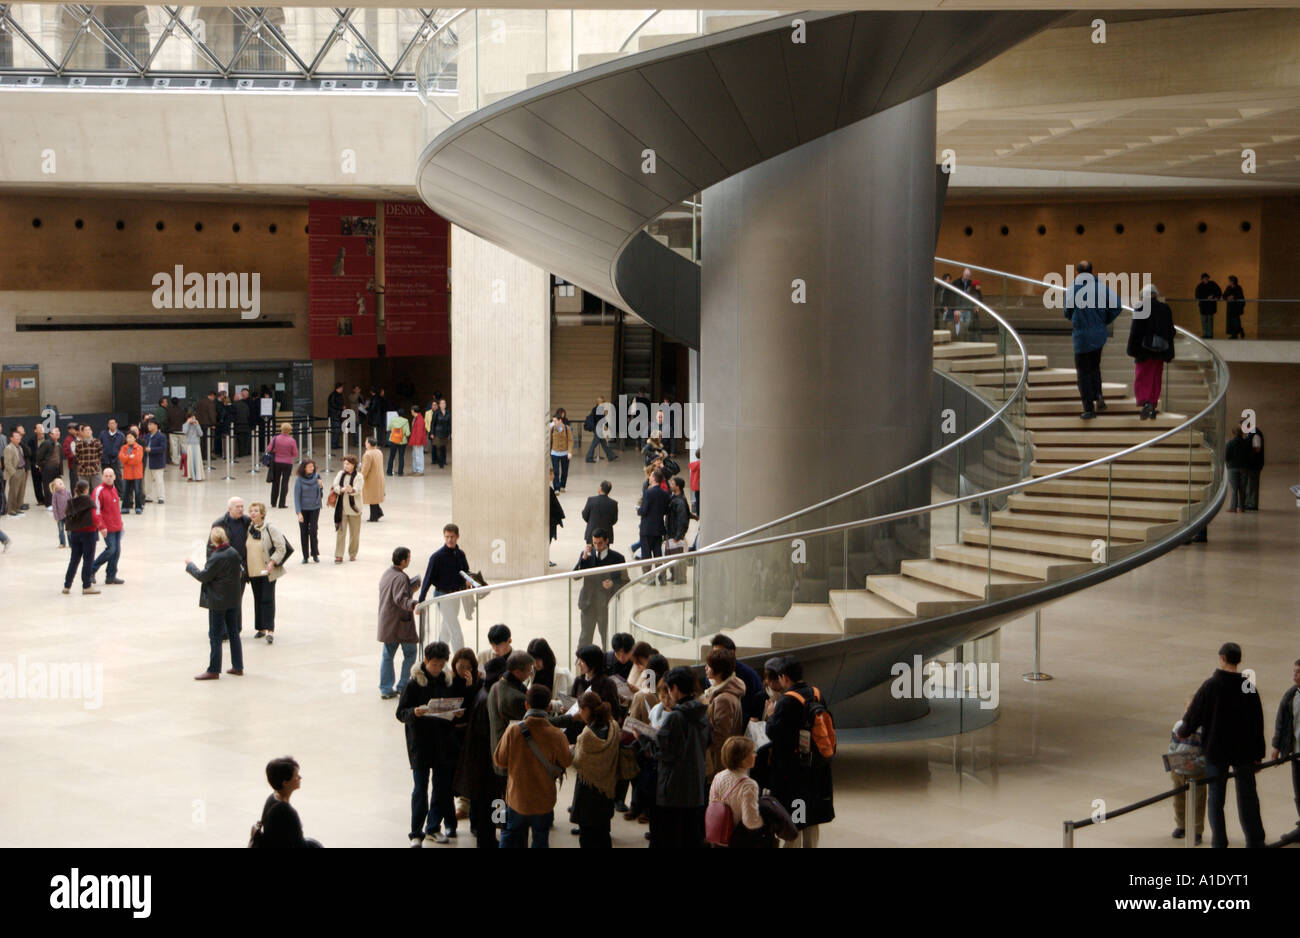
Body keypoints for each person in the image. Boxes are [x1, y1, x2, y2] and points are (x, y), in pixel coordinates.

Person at [1177, 642, 1266, 848]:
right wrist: (1258, 754)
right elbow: (1257, 722)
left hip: (1216, 751)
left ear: (1222, 658)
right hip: (1243, 751)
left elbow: (1194, 714)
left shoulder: (1211, 685)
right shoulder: (1247, 686)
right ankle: (1255, 840)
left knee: (1216, 799)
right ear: (1239, 660)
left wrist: (1183, 732)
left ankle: (1219, 841)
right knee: (1248, 796)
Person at [633, 666, 710, 848]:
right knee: (690, 836)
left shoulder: (676, 717)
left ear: (675, 688)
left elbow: (662, 751)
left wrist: (642, 737)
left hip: (673, 788)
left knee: (668, 836)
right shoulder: (701, 713)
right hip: (696, 785)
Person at [397, 641, 462, 846]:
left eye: (441, 664)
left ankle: (433, 827)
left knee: (441, 788)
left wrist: (455, 713)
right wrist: (414, 712)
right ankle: (416, 833)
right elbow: (401, 713)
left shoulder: (446, 681)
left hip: (442, 742)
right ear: (426, 661)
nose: (438, 668)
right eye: (434, 664)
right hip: (421, 744)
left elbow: (451, 707)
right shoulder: (413, 684)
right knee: (420, 788)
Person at [766, 656, 835, 848]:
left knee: (794, 817)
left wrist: (771, 716)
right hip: (816, 765)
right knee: (810, 814)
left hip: (793, 771)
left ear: (784, 677)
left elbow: (773, 732)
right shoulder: (816, 693)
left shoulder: (787, 701)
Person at [493, 682, 573, 848]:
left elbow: (499, 761)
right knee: (540, 838)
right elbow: (567, 761)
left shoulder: (513, 731)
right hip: (543, 799)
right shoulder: (556, 734)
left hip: (517, 798)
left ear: (526, 704)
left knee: (509, 834)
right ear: (549, 706)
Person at [1064, 259, 1122, 419]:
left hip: (1082, 336)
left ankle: (1089, 408)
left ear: (1077, 272)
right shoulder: (1102, 288)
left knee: (1083, 372)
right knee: (1095, 366)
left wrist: (1077, 318)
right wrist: (1104, 321)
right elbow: (1117, 306)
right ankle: (1099, 395)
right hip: (1099, 334)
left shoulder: (1073, 289)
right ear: (1091, 271)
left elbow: (1067, 312)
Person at [187, 526, 246, 680]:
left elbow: (203, 576)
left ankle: (214, 669)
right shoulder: (233, 552)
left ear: (213, 540)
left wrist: (190, 565)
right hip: (233, 599)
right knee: (234, 633)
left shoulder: (216, 557)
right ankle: (238, 666)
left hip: (218, 601)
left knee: (215, 635)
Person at [571, 690, 622, 848]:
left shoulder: (587, 735)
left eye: (580, 709)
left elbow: (579, 761)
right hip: (606, 786)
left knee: (587, 837)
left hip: (588, 790)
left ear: (587, 709)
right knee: (603, 832)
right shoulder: (612, 725)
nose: (579, 713)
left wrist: (571, 750)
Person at [709, 736, 774, 848]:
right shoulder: (748, 784)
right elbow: (750, 822)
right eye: (752, 752)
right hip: (737, 839)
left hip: (718, 837)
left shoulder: (718, 777)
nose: (755, 755)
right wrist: (766, 822)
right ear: (742, 758)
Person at [416, 523, 471, 651]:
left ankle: (438, 653)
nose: (450, 539)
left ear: (457, 536)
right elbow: (427, 580)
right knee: (454, 628)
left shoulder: (460, 554)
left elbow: (466, 572)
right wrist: (420, 602)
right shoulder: (437, 557)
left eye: (452, 536)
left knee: (446, 628)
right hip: (442, 596)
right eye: (447, 537)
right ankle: (461, 656)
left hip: (456, 596)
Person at [1126, 283, 1175, 421]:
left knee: (1142, 377)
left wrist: (1131, 349)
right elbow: (1171, 331)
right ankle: (1153, 405)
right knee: (1155, 378)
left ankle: (1145, 402)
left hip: (1144, 351)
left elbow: (1135, 331)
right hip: (1160, 351)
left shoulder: (1141, 308)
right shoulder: (1165, 309)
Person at [377, 547, 421, 701]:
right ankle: (402, 685)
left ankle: (386, 688)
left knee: (387, 655)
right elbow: (400, 599)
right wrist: (414, 603)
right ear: (403, 561)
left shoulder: (387, 574)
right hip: (400, 624)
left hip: (387, 622)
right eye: (408, 558)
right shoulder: (401, 578)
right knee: (410, 653)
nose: (409, 560)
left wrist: (410, 590)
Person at [575, 529, 628, 649]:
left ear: (607, 541)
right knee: (585, 637)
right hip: (588, 604)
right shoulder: (587, 556)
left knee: (607, 638)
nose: (597, 546)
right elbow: (575, 576)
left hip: (606, 606)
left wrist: (613, 584)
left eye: (600, 543)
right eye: (594, 543)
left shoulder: (618, 558)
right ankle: (581, 663)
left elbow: (625, 581)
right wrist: (583, 560)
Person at [246, 502, 288, 643]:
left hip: (267, 570)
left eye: (256, 511)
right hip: (253, 570)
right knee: (257, 598)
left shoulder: (270, 528)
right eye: (251, 511)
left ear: (262, 514)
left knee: (267, 599)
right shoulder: (249, 529)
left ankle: (270, 629)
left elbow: (281, 547)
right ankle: (260, 628)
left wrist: (272, 562)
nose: (253, 513)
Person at [487, 650, 534, 778]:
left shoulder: (495, 686)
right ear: (518, 672)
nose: (531, 673)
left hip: (498, 750)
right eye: (529, 670)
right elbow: (534, 723)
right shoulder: (516, 698)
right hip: (511, 755)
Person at [258, 757, 321, 847]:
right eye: (296, 776)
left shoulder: (272, 798)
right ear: (285, 782)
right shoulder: (286, 812)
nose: (300, 777)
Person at [703, 649, 747, 781]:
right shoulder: (723, 692)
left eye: (709, 666)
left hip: (719, 762)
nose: (705, 668)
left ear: (719, 671)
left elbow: (721, 737)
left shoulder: (723, 698)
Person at [1269, 658, 1300, 837]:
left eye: (1298, 672)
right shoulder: (1290, 696)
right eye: (1293, 671)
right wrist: (1276, 745)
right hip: (1296, 754)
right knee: (1299, 793)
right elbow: (1281, 722)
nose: (1294, 676)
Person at [1168, 704, 1206, 845]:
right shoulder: (1178, 726)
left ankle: (1197, 831)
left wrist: (1197, 763)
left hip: (1196, 773)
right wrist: (1173, 761)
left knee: (1198, 802)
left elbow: (1208, 754)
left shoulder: (1204, 730)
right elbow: (1172, 746)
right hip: (1178, 771)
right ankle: (1181, 826)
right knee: (1178, 801)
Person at [711, 634, 768, 723]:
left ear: (732, 653)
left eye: (721, 653)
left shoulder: (748, 674)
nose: (717, 657)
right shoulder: (712, 675)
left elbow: (758, 698)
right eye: (714, 653)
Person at [62, 480, 99, 595]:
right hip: (88, 533)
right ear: (86, 489)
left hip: (75, 534)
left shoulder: (71, 502)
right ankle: (86, 585)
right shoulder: (88, 501)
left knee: (74, 560)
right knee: (88, 560)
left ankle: (67, 586)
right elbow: (94, 517)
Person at [90, 469, 125, 586]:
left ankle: (111, 576)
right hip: (107, 527)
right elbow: (96, 511)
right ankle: (91, 570)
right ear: (102, 477)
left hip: (117, 526)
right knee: (111, 549)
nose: (109, 478)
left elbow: (116, 510)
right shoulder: (98, 491)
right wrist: (101, 527)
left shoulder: (114, 489)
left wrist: (121, 524)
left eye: (111, 476)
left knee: (116, 552)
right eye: (106, 476)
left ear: (115, 477)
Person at [637, 467, 671, 573]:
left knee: (646, 554)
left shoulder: (648, 493)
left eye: (651, 476)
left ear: (654, 479)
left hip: (647, 528)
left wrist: (638, 510)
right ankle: (662, 576)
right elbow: (666, 510)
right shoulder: (665, 494)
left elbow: (644, 510)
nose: (649, 477)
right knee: (658, 554)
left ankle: (648, 577)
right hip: (659, 528)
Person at [332, 454, 364, 562]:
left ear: (354, 465)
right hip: (342, 508)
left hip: (355, 509)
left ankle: (353, 553)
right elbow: (335, 486)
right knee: (341, 532)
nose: (345, 465)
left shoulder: (359, 476)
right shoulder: (340, 474)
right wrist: (341, 489)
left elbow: (358, 489)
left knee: (355, 534)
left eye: (348, 464)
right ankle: (339, 555)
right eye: (344, 463)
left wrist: (351, 490)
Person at [294, 460, 325, 562]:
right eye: (310, 466)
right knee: (303, 532)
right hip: (303, 509)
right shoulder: (299, 480)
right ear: (304, 468)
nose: (312, 468)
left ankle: (315, 553)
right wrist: (299, 513)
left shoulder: (317, 477)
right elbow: (296, 497)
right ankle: (305, 556)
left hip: (314, 508)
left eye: (313, 466)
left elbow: (320, 495)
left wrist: (321, 487)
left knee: (313, 530)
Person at [214, 496, 253, 569]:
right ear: (230, 509)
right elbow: (211, 547)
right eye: (237, 507)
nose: (240, 509)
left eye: (242, 506)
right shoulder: (219, 524)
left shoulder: (247, 521)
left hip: (244, 564)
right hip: (227, 565)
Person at [664, 476, 691, 582]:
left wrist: (678, 536)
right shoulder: (674, 498)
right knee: (671, 556)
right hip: (671, 533)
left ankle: (679, 577)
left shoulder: (680, 502)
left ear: (678, 487)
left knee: (677, 557)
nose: (670, 485)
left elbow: (683, 520)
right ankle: (674, 575)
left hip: (675, 534)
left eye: (672, 484)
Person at [265, 422, 298, 508]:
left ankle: (273, 502)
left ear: (281, 429)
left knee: (276, 482)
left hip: (276, 462)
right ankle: (282, 503)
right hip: (287, 463)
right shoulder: (292, 440)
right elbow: (295, 454)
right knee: (285, 482)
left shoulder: (275, 438)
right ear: (290, 430)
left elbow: (269, 449)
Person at [581, 480, 618, 545]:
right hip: (606, 536)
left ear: (600, 488)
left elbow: (585, 515)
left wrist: (591, 521)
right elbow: (614, 520)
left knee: (591, 553)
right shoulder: (613, 503)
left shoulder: (591, 500)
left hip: (591, 534)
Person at [584, 397, 618, 463]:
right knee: (594, 444)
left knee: (604, 443)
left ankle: (611, 456)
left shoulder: (595, 408)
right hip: (598, 428)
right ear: (599, 402)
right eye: (603, 402)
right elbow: (603, 420)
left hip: (597, 428)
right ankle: (588, 457)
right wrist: (610, 427)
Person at [117, 431, 145, 514]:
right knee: (125, 491)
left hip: (137, 473)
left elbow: (137, 460)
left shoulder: (139, 447)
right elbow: (121, 457)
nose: (129, 439)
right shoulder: (123, 447)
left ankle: (138, 507)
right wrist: (129, 457)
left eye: (131, 437)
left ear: (135, 438)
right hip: (127, 473)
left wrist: (127, 459)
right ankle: (125, 507)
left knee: (137, 491)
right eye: (128, 437)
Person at [1225, 426, 1250, 513]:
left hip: (1233, 468)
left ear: (1233, 434)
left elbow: (1226, 456)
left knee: (1234, 489)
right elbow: (1250, 455)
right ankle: (1242, 507)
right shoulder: (1246, 443)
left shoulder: (1230, 443)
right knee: (1242, 489)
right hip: (1244, 467)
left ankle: (1233, 507)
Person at [98, 419, 125, 496]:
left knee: (117, 477)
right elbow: (99, 446)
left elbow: (123, 448)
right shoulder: (103, 434)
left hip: (116, 460)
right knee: (106, 477)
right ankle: (106, 493)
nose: (112, 425)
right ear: (108, 425)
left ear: (116, 424)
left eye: (113, 423)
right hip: (105, 460)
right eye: (110, 423)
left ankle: (121, 494)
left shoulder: (121, 435)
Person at [360, 437, 385, 522]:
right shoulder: (379, 452)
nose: (365, 444)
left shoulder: (368, 454)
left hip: (371, 478)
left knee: (372, 497)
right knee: (375, 496)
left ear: (369, 444)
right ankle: (378, 512)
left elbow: (365, 468)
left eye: (366, 442)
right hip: (379, 477)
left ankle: (374, 516)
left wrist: (361, 477)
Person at [3, 429, 26, 517]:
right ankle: (10, 509)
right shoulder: (9, 448)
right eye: (16, 437)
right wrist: (13, 473)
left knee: (20, 491)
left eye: (19, 437)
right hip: (15, 472)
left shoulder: (19, 447)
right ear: (11, 438)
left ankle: (17, 508)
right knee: (13, 492)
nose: (18, 438)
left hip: (22, 470)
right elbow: (7, 463)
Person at [143, 420, 167, 504]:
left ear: (156, 425)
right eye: (148, 424)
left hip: (157, 461)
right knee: (147, 479)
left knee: (159, 480)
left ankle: (161, 497)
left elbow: (163, 448)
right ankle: (148, 496)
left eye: (150, 424)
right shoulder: (146, 436)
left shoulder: (161, 436)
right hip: (147, 460)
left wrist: (151, 449)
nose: (148, 426)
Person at [548, 410, 572, 494]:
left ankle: (562, 486)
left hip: (565, 453)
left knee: (564, 471)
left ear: (560, 420)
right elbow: (549, 441)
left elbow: (570, 440)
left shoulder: (566, 428)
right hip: (554, 453)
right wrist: (548, 452)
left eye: (555, 421)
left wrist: (569, 452)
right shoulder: (551, 429)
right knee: (556, 471)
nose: (554, 422)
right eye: (553, 421)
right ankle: (556, 488)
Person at [1243, 421, 1264, 511]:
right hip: (1251, 464)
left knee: (1252, 485)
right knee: (1249, 485)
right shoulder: (1251, 434)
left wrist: (1248, 455)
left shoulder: (1255, 434)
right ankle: (1249, 502)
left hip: (1254, 465)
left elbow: (1257, 449)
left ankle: (1252, 504)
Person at [1194, 272, 1222, 339]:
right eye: (1204, 278)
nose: (1205, 279)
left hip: (1210, 306)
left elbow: (1219, 292)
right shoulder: (1200, 286)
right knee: (1204, 320)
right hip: (1203, 306)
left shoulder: (1213, 284)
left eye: (1206, 278)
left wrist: (1215, 297)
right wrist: (1206, 298)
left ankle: (1209, 334)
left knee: (1210, 320)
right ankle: (1205, 334)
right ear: (1202, 279)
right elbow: (1197, 296)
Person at [76, 425, 102, 491]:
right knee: (83, 491)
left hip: (95, 470)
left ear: (91, 431)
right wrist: (82, 465)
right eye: (85, 430)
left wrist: (95, 464)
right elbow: (77, 456)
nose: (87, 431)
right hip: (83, 471)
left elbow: (100, 455)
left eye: (89, 430)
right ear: (82, 432)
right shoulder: (79, 444)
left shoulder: (97, 442)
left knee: (98, 490)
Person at [182, 412, 206, 481]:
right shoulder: (185, 425)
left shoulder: (197, 424)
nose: (193, 419)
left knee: (198, 460)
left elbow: (201, 434)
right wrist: (187, 423)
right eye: (191, 417)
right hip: (189, 444)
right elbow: (184, 431)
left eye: (194, 417)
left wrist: (197, 425)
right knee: (190, 461)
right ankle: (190, 476)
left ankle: (199, 476)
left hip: (196, 444)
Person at [548, 469, 564, 564]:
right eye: (552, 474)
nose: (553, 476)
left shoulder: (548, 488)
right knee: (547, 540)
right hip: (550, 520)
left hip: (550, 519)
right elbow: (554, 505)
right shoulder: (548, 489)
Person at [431, 398, 451, 469]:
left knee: (444, 447)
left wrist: (450, 432)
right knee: (439, 448)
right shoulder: (436, 413)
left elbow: (449, 424)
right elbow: (433, 423)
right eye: (442, 403)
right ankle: (440, 462)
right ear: (439, 405)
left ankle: (444, 461)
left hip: (445, 432)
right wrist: (432, 433)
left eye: (444, 403)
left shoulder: (448, 412)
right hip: (437, 432)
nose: (443, 404)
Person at [49, 477, 69, 548]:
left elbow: (71, 502)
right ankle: (62, 543)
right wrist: (56, 517)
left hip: (68, 516)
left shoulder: (68, 492)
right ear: (55, 486)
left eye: (61, 482)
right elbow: (54, 507)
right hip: (59, 517)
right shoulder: (55, 495)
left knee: (69, 531)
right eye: (58, 482)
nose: (60, 483)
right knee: (61, 531)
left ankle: (71, 543)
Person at [408, 406, 428, 475]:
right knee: (415, 455)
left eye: (411, 410)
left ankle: (420, 470)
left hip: (418, 441)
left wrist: (418, 442)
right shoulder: (416, 418)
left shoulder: (419, 419)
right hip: (415, 440)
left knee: (418, 456)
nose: (411, 412)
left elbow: (419, 432)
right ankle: (415, 469)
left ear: (413, 411)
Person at [327, 382, 346, 450]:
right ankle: (334, 444)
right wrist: (341, 407)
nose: (342, 389)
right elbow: (332, 405)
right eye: (342, 388)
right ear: (339, 388)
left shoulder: (339, 395)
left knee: (337, 430)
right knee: (335, 430)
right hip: (334, 415)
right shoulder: (333, 395)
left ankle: (336, 443)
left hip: (338, 415)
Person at [689, 449, 700, 517]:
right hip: (701, 485)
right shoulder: (702, 464)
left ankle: (698, 514)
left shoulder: (695, 464)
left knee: (697, 500)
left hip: (696, 485)